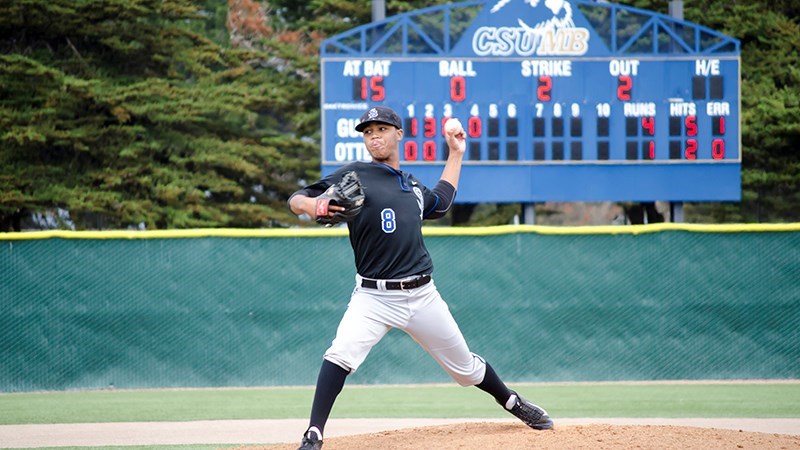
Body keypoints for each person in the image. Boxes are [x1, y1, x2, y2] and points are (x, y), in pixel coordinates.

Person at [287, 106, 553, 450]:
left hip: (422, 295)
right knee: (341, 354)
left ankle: (512, 402)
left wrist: (456, 153)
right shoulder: (356, 174)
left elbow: (440, 203)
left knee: (465, 370)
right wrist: (313, 207)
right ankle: (313, 433)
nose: (374, 136)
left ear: (399, 134)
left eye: (381, 129)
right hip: (373, 297)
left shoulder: (410, 184)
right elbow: (296, 199)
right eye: (368, 132)